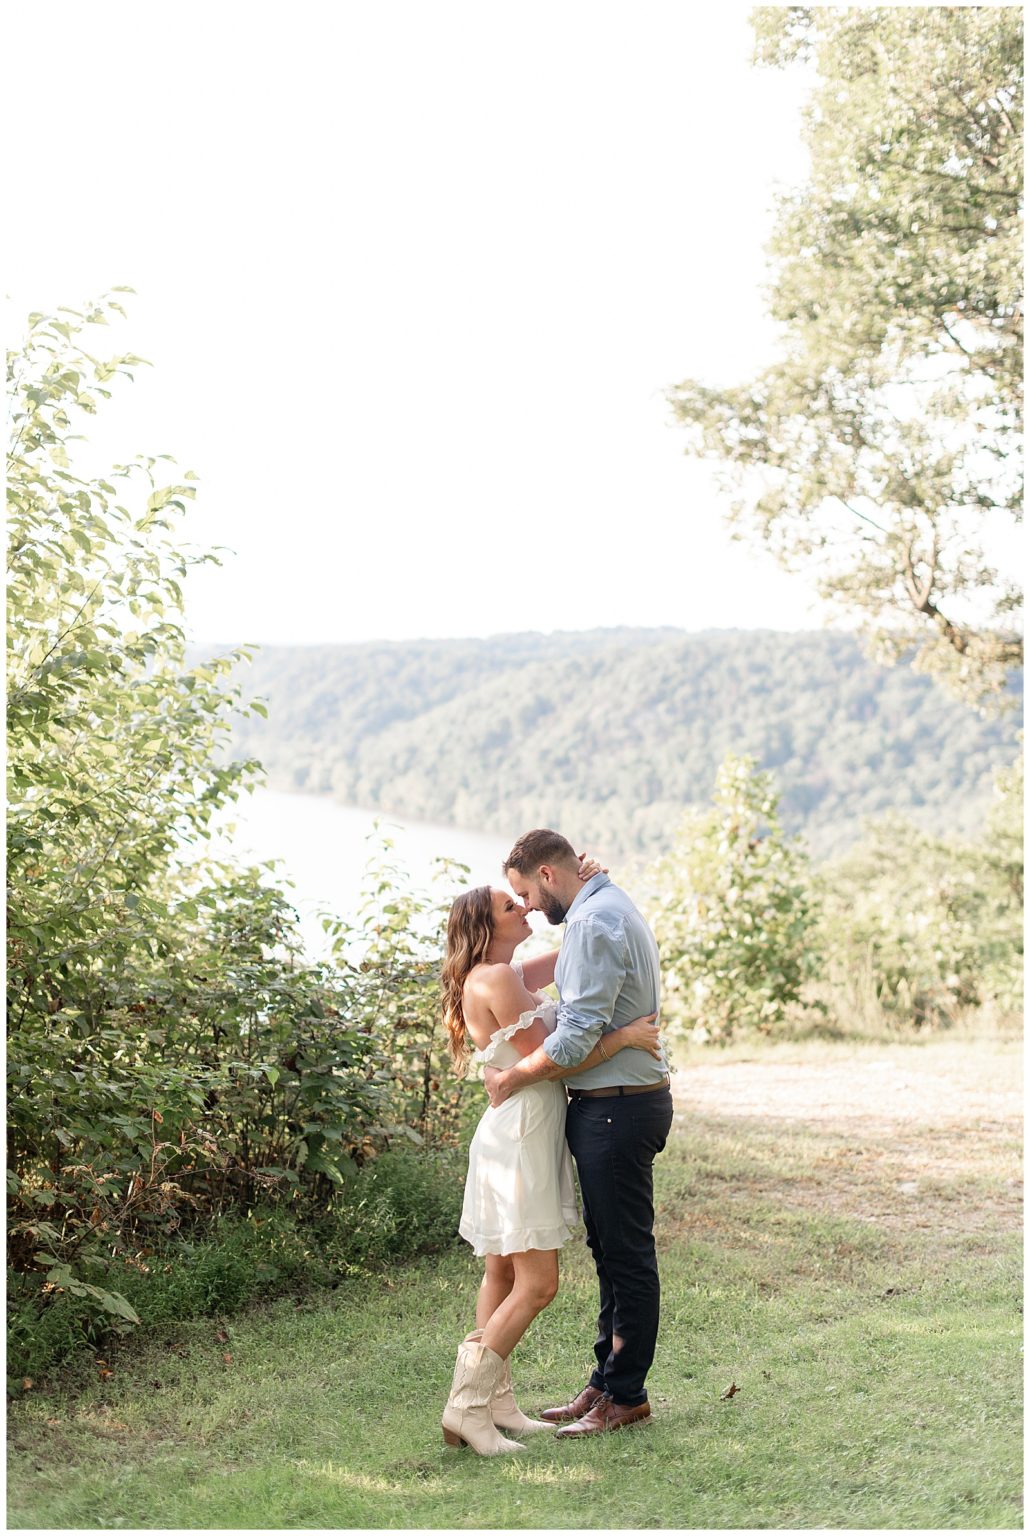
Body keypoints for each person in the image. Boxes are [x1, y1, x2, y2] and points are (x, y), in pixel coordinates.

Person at [439, 857, 662, 1456]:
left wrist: (586, 887)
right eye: (511, 905)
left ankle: (495, 1402)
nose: (525, 906)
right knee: (536, 1285)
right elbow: (562, 1055)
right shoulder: (500, 980)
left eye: (524, 896)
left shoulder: (497, 972)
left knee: (501, 1273)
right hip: (523, 1133)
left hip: (513, 1128)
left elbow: (572, 960)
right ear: (486, 928)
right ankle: (466, 1407)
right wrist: (624, 1038)